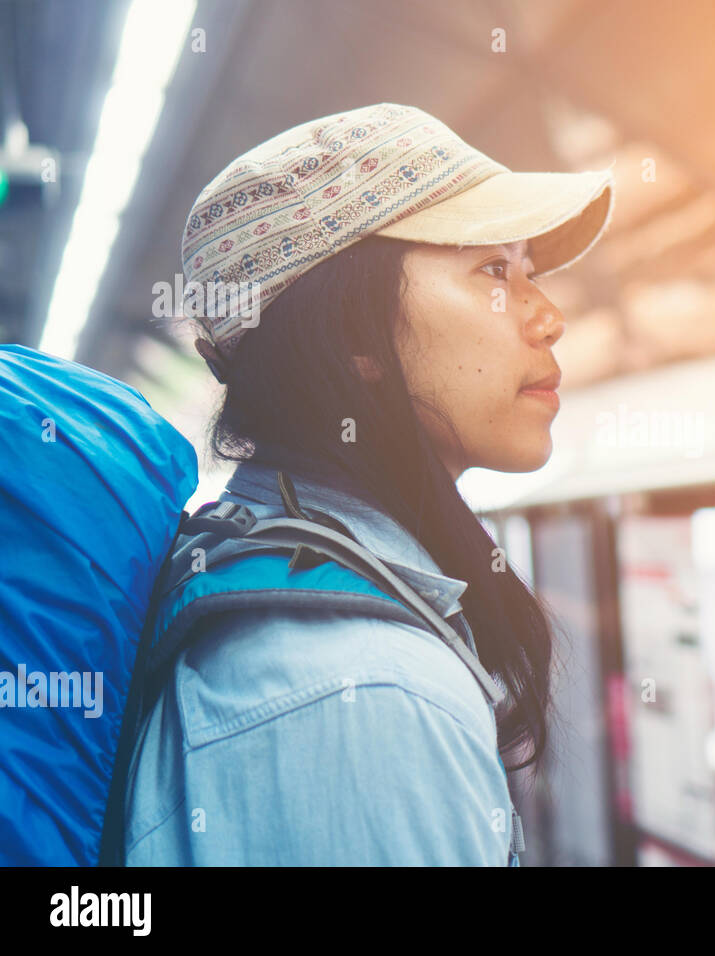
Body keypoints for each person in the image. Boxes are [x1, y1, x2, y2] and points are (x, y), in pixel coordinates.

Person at [121, 103, 615, 865]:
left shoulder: (263, 568)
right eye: (493, 271)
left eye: (530, 273)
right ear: (354, 333)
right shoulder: (369, 698)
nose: (548, 317)